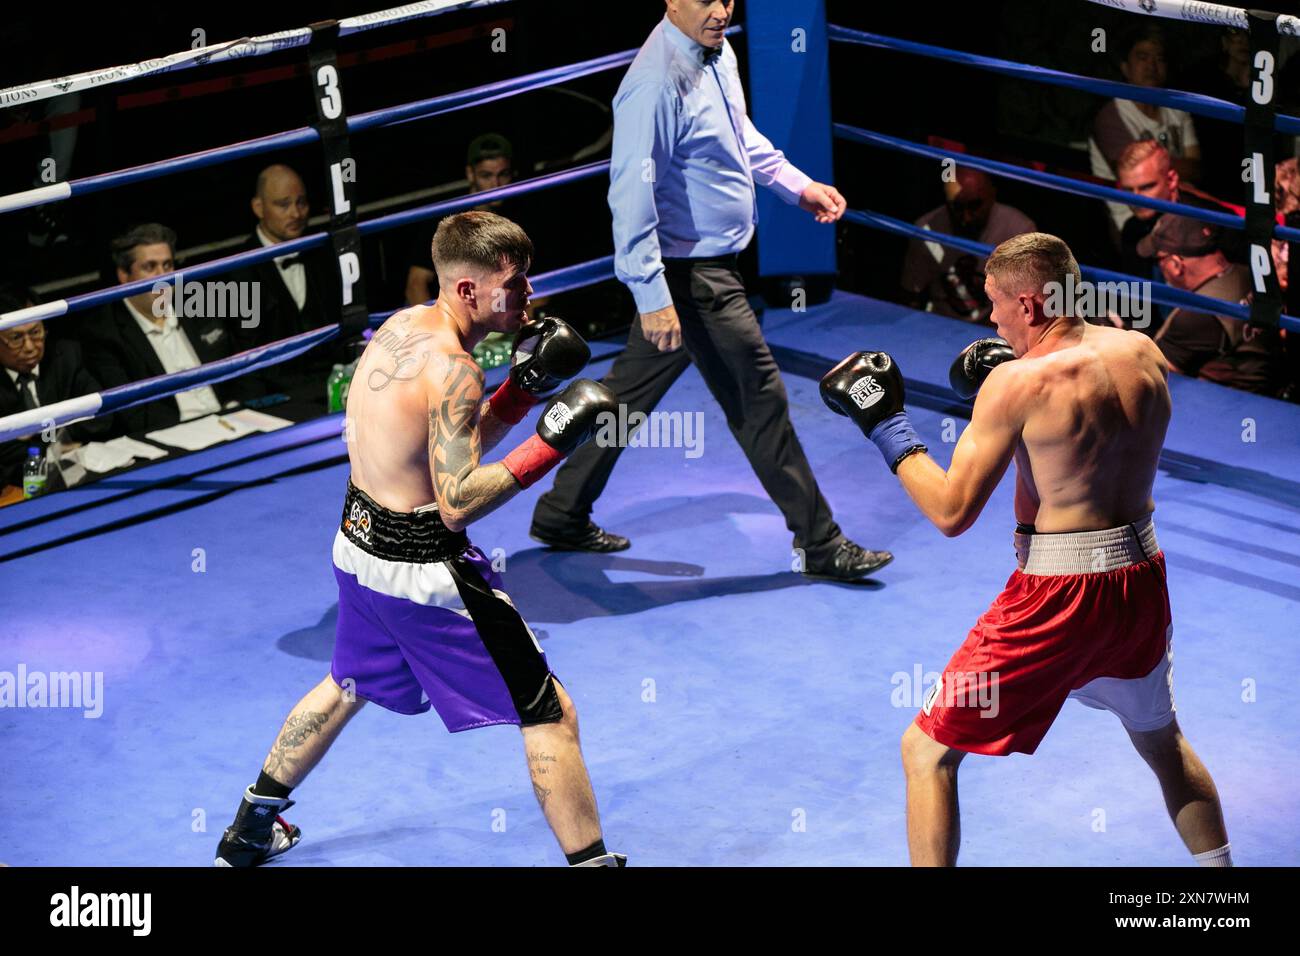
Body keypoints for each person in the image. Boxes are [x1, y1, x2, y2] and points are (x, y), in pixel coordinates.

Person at [215, 211, 626, 867]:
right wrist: (551, 444)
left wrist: (518, 396)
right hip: (424, 573)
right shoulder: (455, 371)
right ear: (468, 290)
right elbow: (457, 501)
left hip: (356, 546)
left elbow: (433, 456)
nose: (528, 296)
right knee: (550, 713)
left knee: (348, 684)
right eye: (514, 284)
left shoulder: (401, 328)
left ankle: (247, 830)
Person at [821, 232, 1231, 867]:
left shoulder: (1016, 385)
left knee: (925, 751)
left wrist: (886, 425)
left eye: (996, 303)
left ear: (1032, 304)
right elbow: (1066, 473)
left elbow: (951, 512)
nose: (989, 317)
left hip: (1058, 602)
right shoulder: (1143, 352)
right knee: (1162, 742)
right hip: (1141, 581)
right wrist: (1020, 434)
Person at [529, 0, 890, 581]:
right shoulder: (652, 84)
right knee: (760, 402)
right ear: (671, 0)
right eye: (707, 0)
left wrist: (796, 186)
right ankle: (821, 543)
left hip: (708, 267)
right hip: (695, 279)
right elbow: (630, 198)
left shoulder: (716, 48)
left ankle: (560, 512)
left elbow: (736, 136)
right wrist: (652, 296)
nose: (722, 10)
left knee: (624, 398)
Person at [80, 223, 233, 435]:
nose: (163, 277)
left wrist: (238, 408)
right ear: (124, 276)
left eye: (167, 265)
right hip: (176, 439)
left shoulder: (199, 305)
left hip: (232, 421)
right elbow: (131, 414)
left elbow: (239, 367)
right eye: (150, 267)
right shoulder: (104, 335)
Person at [224, 164, 345, 400]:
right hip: (276, 396)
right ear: (258, 207)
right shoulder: (238, 269)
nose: (296, 214)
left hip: (332, 385)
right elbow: (244, 355)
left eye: (301, 203)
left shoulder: (325, 251)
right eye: (283, 204)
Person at [1139, 213, 1286, 396]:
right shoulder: (1248, 274)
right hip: (1272, 390)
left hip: (1231, 407)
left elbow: (1147, 378)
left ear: (1176, 264)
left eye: (1158, 260)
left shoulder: (1195, 314)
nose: (1158, 267)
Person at [1090, 27, 1201, 236]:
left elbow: (1197, 169)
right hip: (1134, 224)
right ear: (1125, 67)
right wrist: (1171, 169)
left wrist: (1158, 169)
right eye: (1142, 57)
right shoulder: (1111, 115)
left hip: (1180, 212)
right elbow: (1135, 176)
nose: (1151, 66)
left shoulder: (1177, 106)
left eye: (1159, 58)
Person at [0, 286, 110, 492]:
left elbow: (100, 419)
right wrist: (55, 445)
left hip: (81, 474)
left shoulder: (66, 357)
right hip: (18, 489)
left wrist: (39, 432)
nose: (30, 346)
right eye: (16, 338)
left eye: (35, 332)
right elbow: (4, 456)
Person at [900, 167, 1035, 322]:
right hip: (940, 324)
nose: (966, 217)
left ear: (992, 194)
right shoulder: (927, 230)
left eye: (975, 205)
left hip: (999, 330)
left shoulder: (1019, 232)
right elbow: (911, 294)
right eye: (957, 207)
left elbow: (1028, 303)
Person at [405, 133, 517, 307]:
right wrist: (438, 330)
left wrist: (525, 327)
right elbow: (415, 284)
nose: (496, 184)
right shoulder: (446, 220)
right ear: (470, 174)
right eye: (486, 176)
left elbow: (544, 280)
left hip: (501, 320)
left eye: (503, 174)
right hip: (454, 318)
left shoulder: (521, 217)